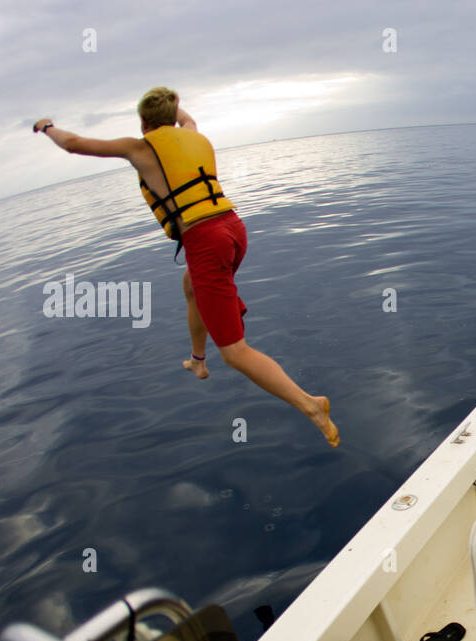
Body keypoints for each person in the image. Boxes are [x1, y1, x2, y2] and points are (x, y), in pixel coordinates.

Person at [33, 87, 339, 446]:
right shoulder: (193, 133)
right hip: (233, 228)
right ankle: (198, 360)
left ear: (144, 122)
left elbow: (72, 143)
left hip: (206, 240)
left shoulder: (140, 147)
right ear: (174, 116)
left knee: (236, 352)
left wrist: (47, 126)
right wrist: (176, 108)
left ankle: (311, 406)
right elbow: (188, 119)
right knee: (191, 285)